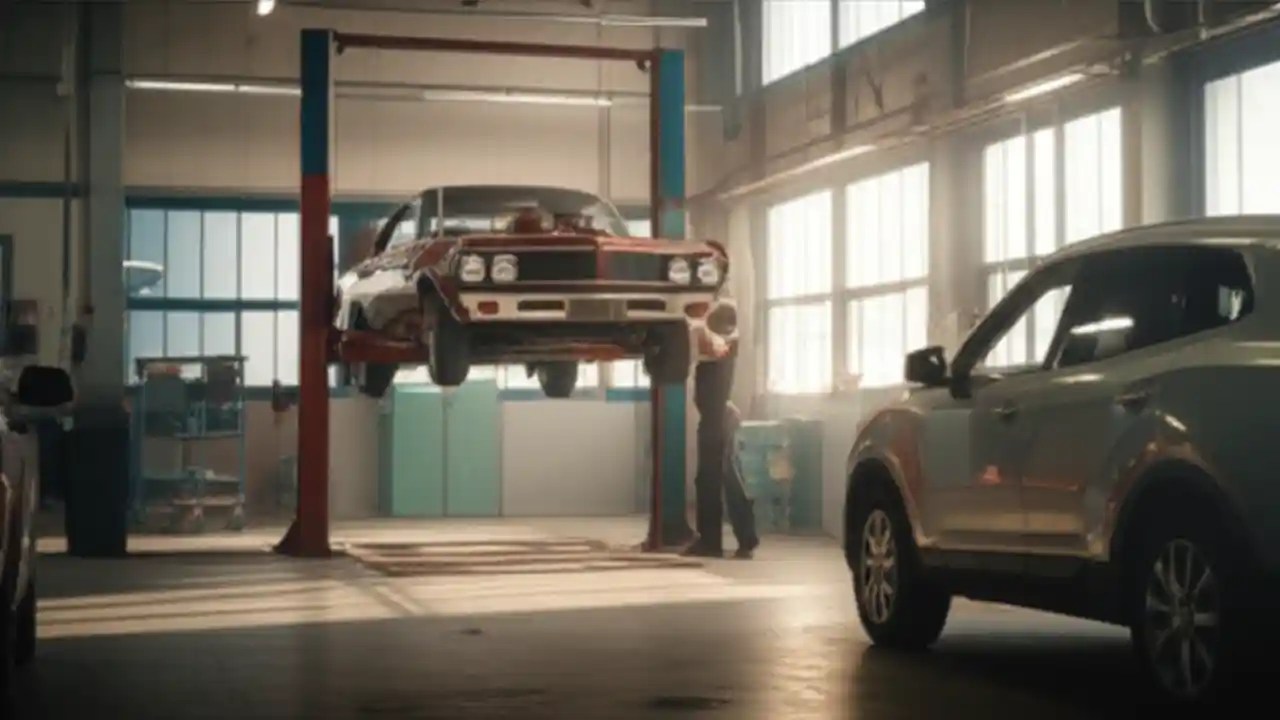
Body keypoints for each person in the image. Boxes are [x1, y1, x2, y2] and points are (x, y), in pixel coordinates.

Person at [682, 304, 760, 559]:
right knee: (725, 479)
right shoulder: (725, 341)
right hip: (718, 418)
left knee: (709, 480)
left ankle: (711, 542)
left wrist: (695, 322)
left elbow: (708, 343)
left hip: (716, 421)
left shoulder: (722, 344)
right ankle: (745, 539)